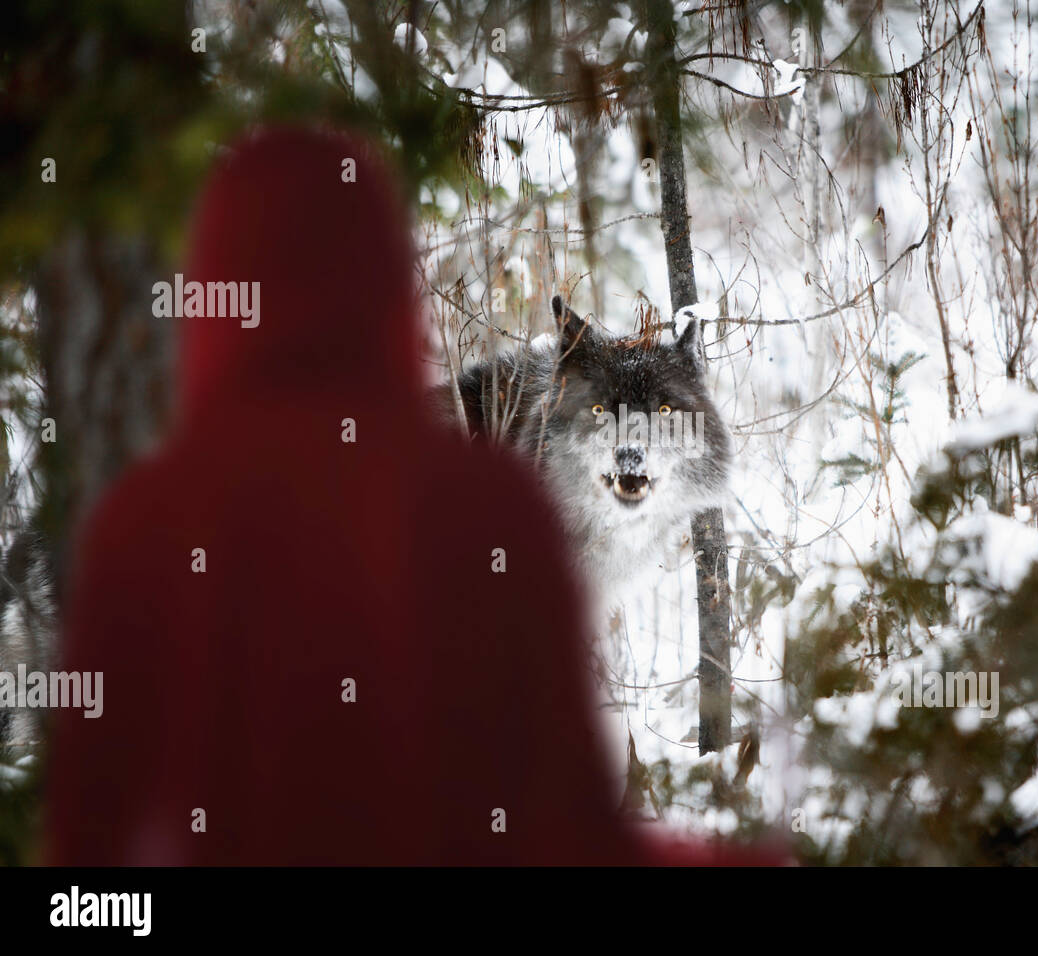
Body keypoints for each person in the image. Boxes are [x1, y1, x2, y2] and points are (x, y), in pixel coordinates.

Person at [44, 124, 781, 866]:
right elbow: (556, 831)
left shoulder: (138, 521)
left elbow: (88, 852)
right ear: (385, 281)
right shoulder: (486, 505)